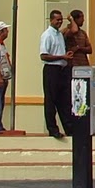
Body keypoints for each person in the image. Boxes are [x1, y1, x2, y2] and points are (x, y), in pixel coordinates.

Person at [39, 9, 73, 140]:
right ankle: (52, 129)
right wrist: (61, 56)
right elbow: (44, 55)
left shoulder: (59, 34)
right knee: (51, 101)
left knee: (64, 100)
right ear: (51, 20)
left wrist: (65, 57)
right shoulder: (47, 35)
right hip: (51, 70)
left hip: (62, 70)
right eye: (57, 19)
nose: (59, 22)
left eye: (61, 19)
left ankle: (69, 128)